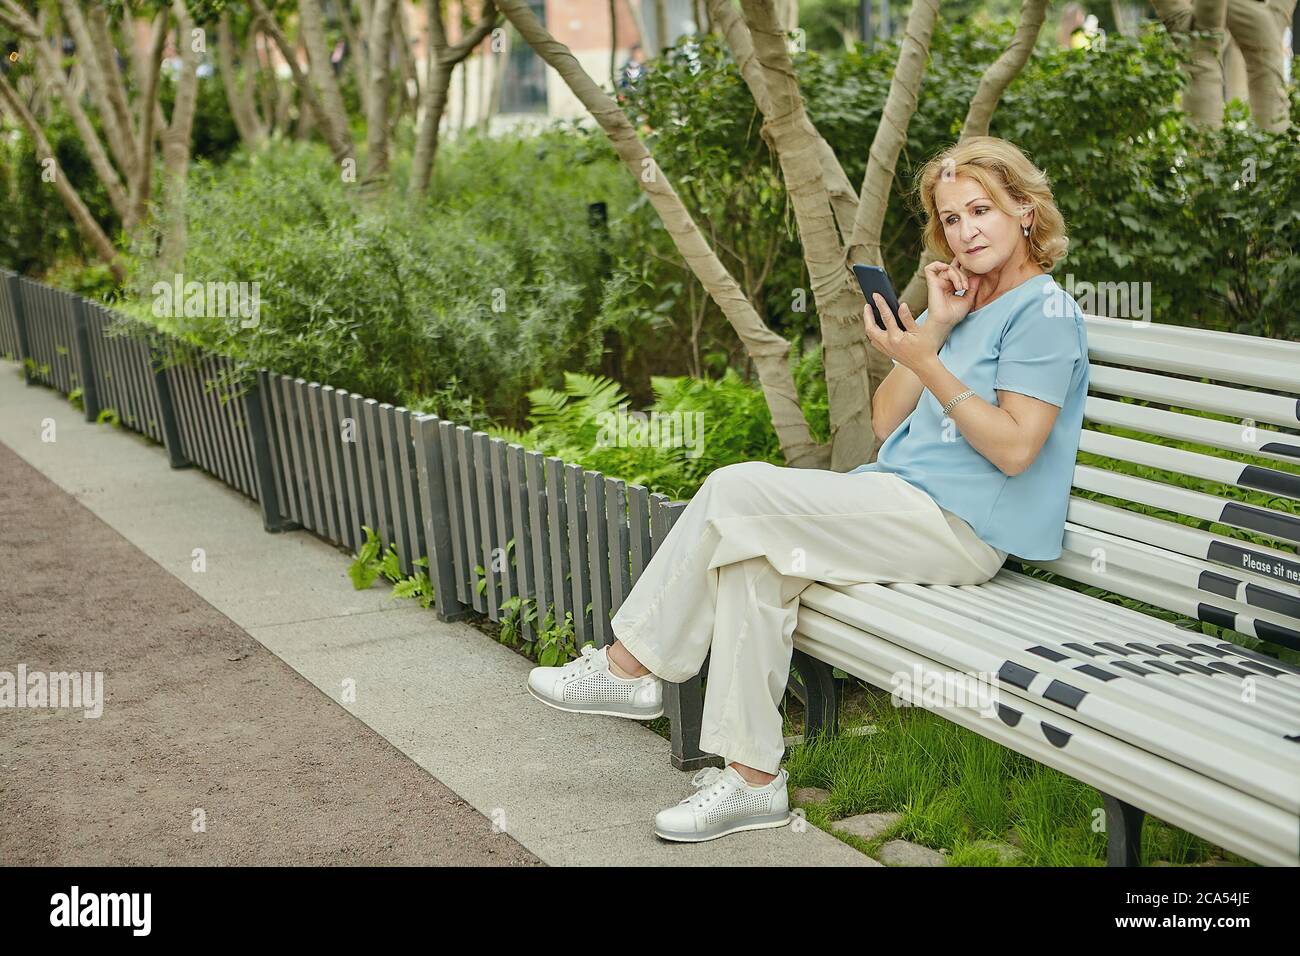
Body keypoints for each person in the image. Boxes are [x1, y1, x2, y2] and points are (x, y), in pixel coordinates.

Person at [527, 136, 1089, 843]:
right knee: (754, 559)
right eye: (950, 218)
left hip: (958, 528)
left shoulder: (1046, 313)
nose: (965, 230)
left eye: (982, 210)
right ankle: (753, 781)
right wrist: (936, 329)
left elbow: (1013, 449)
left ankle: (632, 667)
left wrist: (921, 355)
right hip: (897, 500)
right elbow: (885, 423)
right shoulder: (968, 307)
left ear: (1026, 213)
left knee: (735, 492)